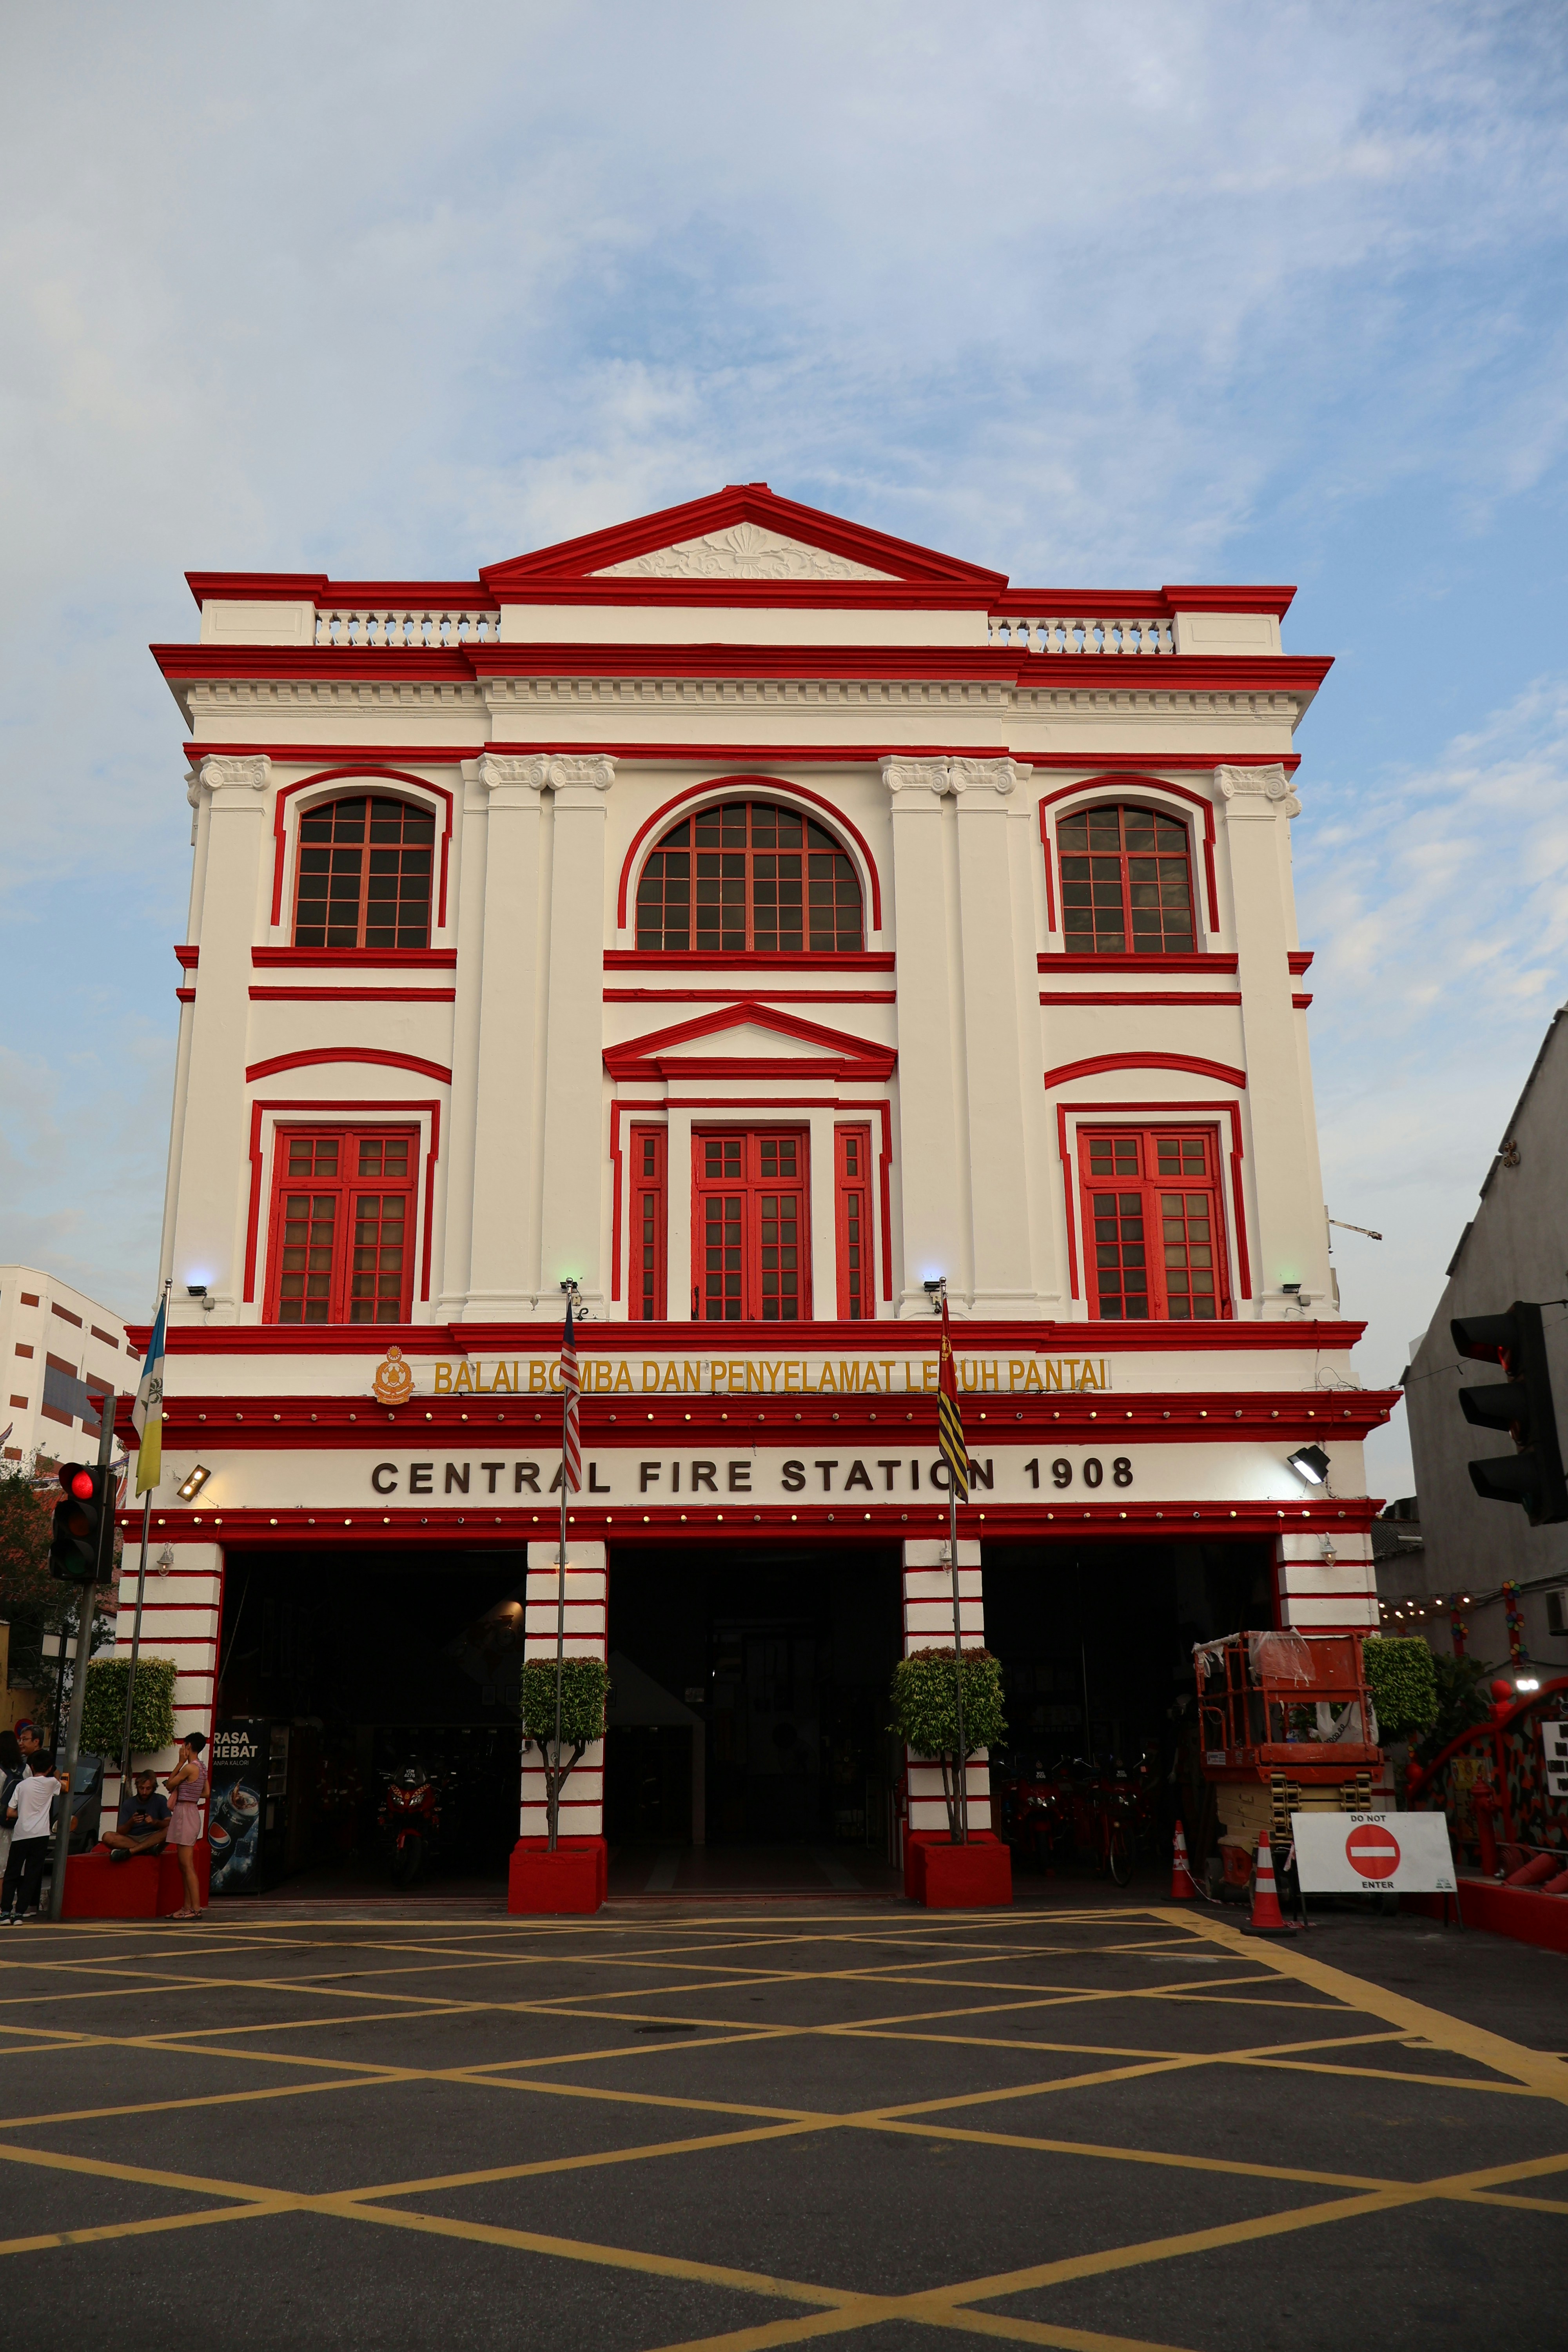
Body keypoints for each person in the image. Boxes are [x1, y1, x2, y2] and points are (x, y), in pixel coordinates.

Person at [2, 1751, 68, 1923]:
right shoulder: (52, 1783)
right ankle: (20, 1913)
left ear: (31, 1767)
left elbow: (10, 1811)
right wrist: (57, 1773)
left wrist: (22, 1813)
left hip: (21, 1834)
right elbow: (65, 1787)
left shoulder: (22, 1786)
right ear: (50, 1768)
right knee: (32, 1875)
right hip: (40, 1835)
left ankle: (5, 1912)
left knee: (12, 1873)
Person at [162, 1733, 208, 1920]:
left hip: (185, 1813)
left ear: (189, 1746)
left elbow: (170, 1784)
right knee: (184, 1864)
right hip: (191, 1811)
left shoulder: (189, 1767)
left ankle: (195, 1908)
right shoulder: (201, 1767)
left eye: (184, 1746)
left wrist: (180, 1762)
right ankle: (187, 1907)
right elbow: (205, 1792)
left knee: (187, 1864)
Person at [101, 1771, 169, 1862]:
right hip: (132, 1839)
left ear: (154, 1788)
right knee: (107, 1837)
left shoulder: (161, 1800)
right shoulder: (129, 1803)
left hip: (153, 1837)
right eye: (142, 1788)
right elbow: (120, 1831)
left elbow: (169, 1822)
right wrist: (131, 1822)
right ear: (137, 1786)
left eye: (148, 1789)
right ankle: (146, 1850)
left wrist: (155, 1822)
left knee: (171, 1830)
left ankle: (133, 1851)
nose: (144, 1792)